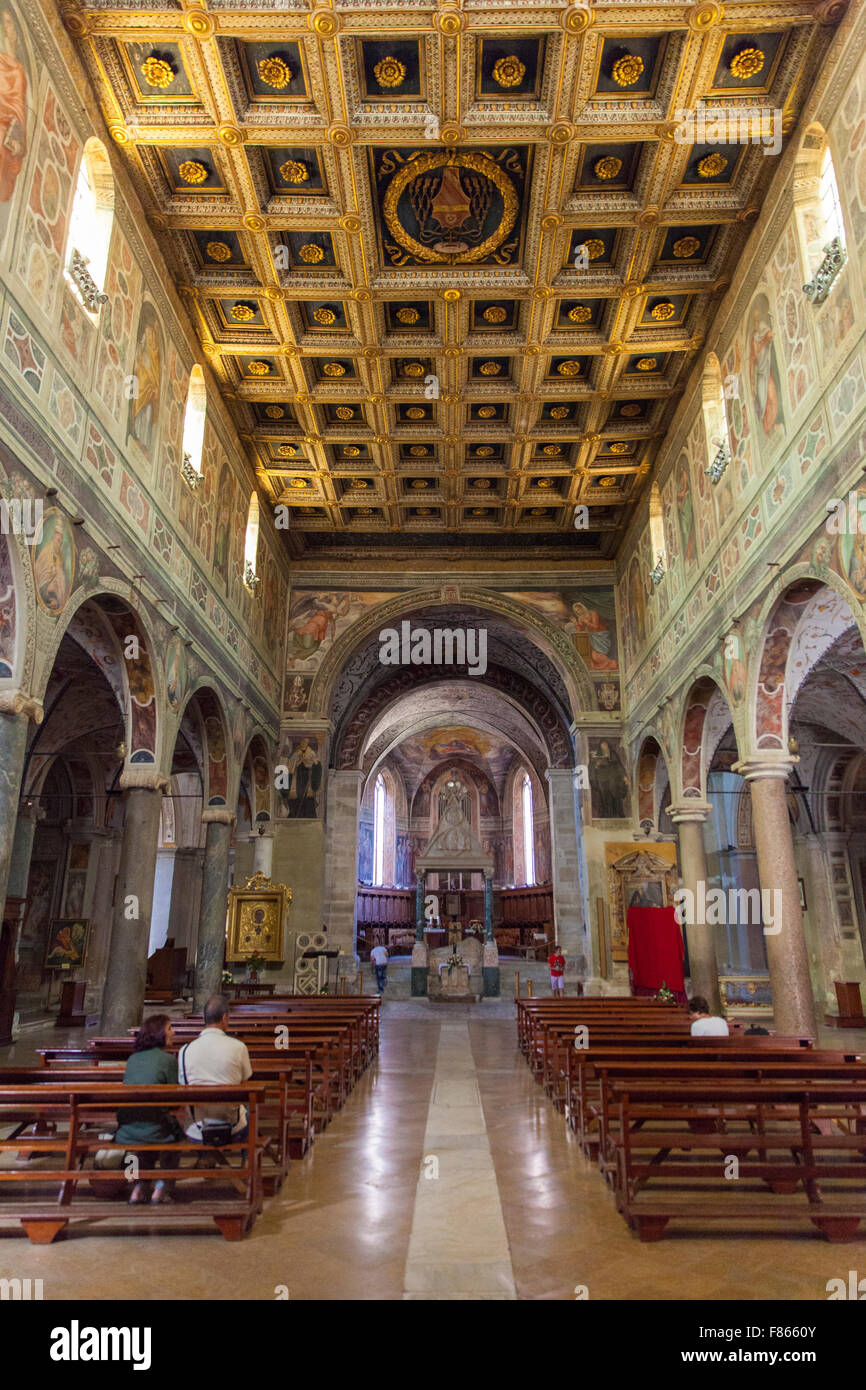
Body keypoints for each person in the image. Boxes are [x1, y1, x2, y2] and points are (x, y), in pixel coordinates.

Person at [115, 1014, 183, 1206]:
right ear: (159, 1034)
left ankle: (138, 1186)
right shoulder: (168, 1060)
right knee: (172, 1135)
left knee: (148, 1128)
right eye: (170, 1028)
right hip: (154, 1130)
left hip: (126, 1131)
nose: (174, 1033)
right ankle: (162, 1187)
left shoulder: (133, 1059)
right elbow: (174, 1102)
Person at [178, 996, 252, 1144]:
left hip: (196, 1127)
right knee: (251, 1110)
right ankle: (247, 1160)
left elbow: (182, 1085)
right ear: (225, 1018)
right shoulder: (238, 1047)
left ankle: (205, 1157)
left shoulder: (185, 1050)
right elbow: (244, 1083)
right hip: (232, 1126)